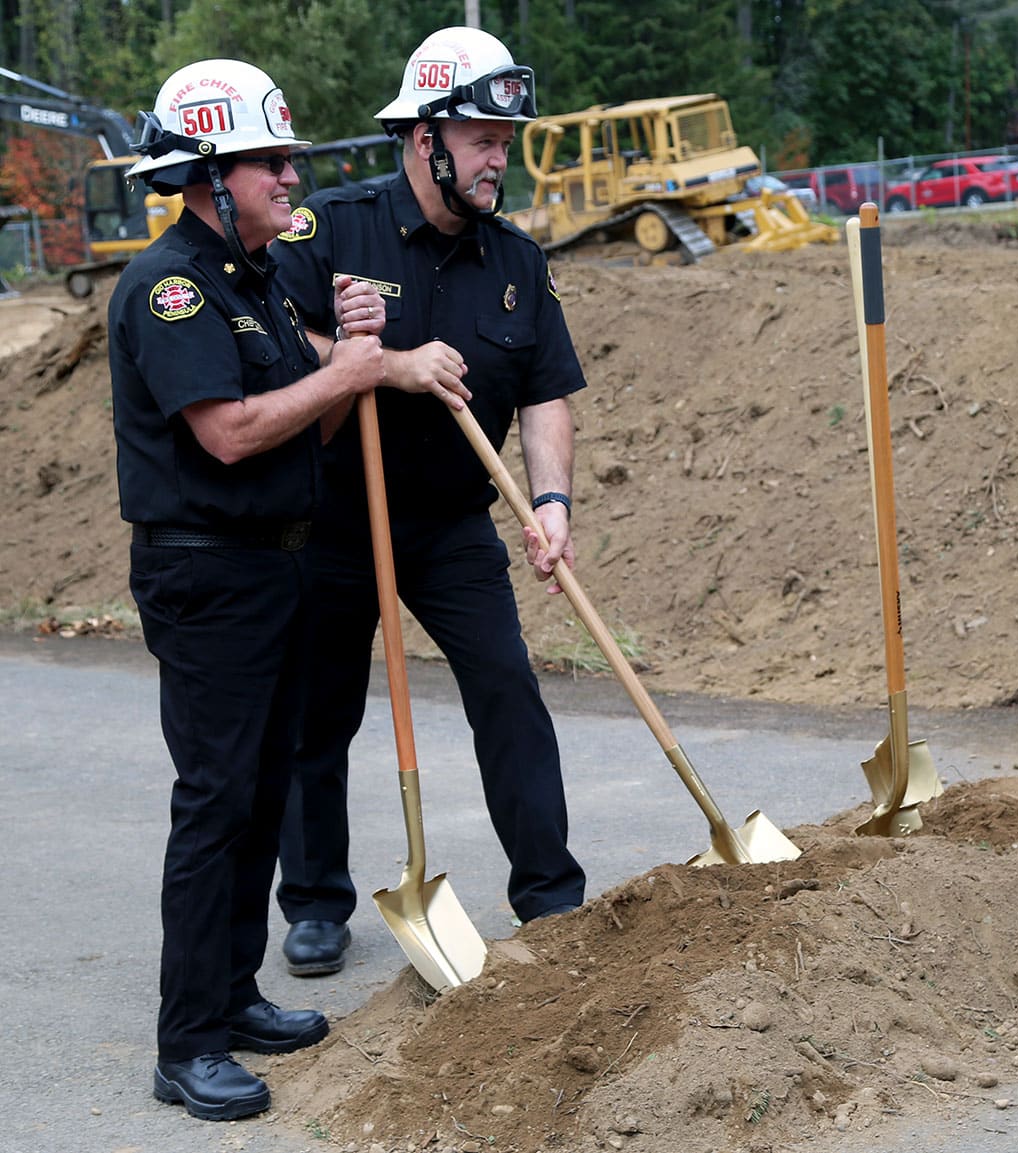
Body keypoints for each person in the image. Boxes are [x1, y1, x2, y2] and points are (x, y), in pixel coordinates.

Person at [271, 25, 587, 977]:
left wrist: (553, 500)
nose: (501, 158)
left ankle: (550, 894)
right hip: (331, 517)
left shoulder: (516, 262)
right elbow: (278, 351)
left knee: (508, 690)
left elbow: (544, 391)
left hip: (451, 524)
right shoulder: (329, 230)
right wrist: (388, 365)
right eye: (486, 139)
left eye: (507, 139)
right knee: (318, 712)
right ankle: (317, 902)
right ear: (426, 139)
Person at [109, 58, 390, 1121]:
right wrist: (346, 373)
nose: (290, 176)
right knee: (217, 802)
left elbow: (307, 415)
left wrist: (348, 347)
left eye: (289, 158)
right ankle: (185, 1045)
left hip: (276, 564)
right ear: (206, 177)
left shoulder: (257, 282)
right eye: (268, 161)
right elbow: (226, 435)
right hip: (207, 571)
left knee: (266, 789)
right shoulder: (171, 287)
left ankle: (231, 997)